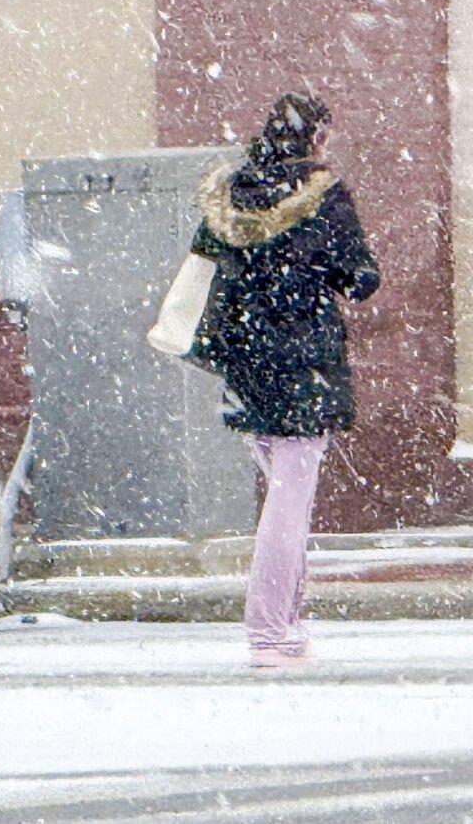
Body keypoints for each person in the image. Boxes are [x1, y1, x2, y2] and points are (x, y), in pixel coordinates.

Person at [189, 92, 379, 666]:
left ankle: (286, 629)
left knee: (281, 492)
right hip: (302, 361)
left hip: (244, 358)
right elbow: (357, 278)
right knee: (289, 503)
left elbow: (204, 252)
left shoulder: (230, 195)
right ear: (316, 138)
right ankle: (270, 631)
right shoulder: (323, 196)